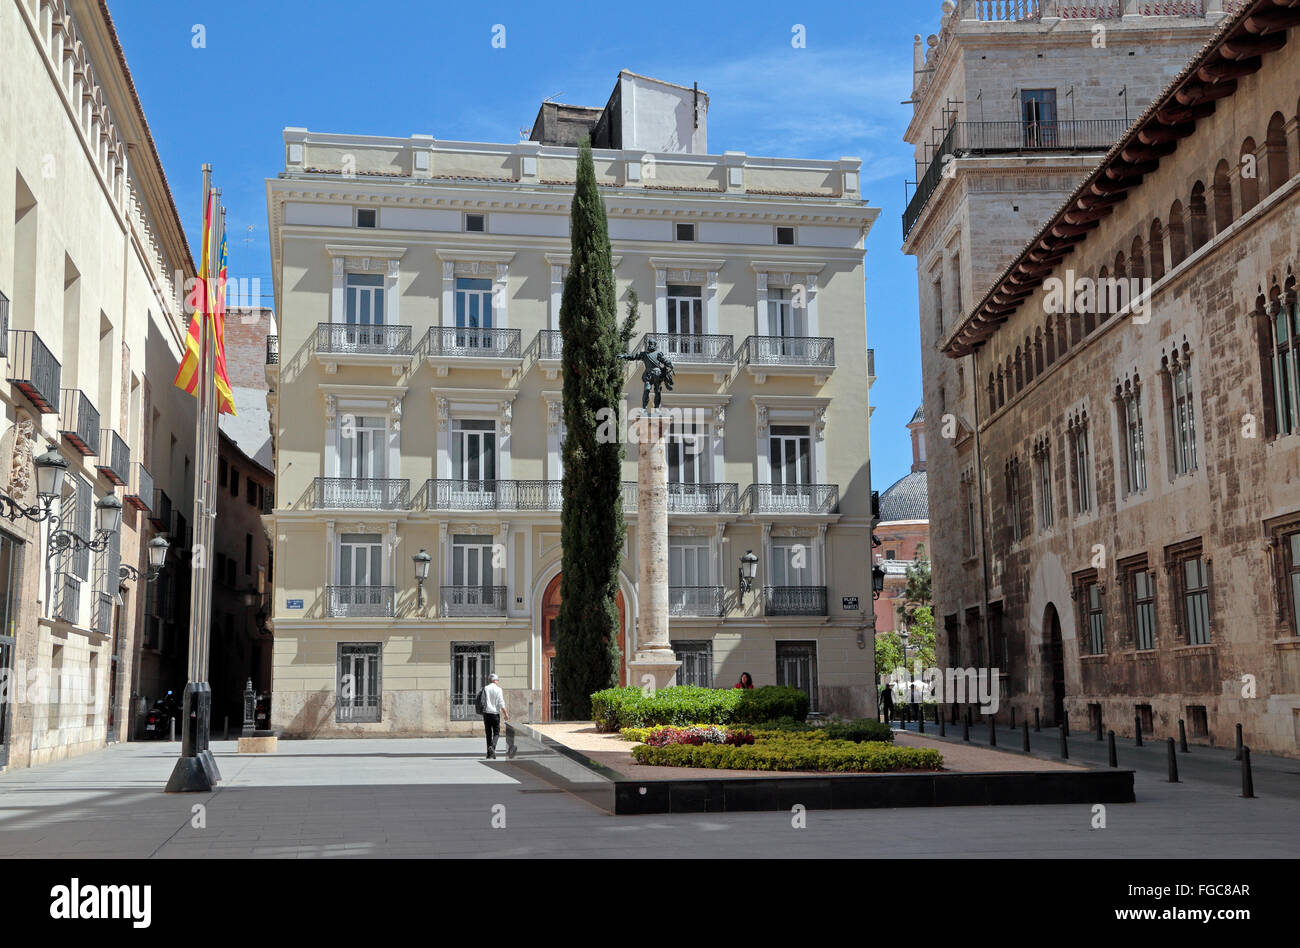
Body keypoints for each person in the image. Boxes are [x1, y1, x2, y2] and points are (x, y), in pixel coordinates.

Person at [481, 673, 508, 759]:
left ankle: (489, 754)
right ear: (495, 680)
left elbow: (482, 701)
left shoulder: (485, 688)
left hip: (486, 714)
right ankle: (492, 747)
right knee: (496, 733)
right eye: (497, 680)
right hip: (495, 714)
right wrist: (506, 714)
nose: (497, 682)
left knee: (488, 734)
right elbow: (501, 702)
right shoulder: (498, 689)